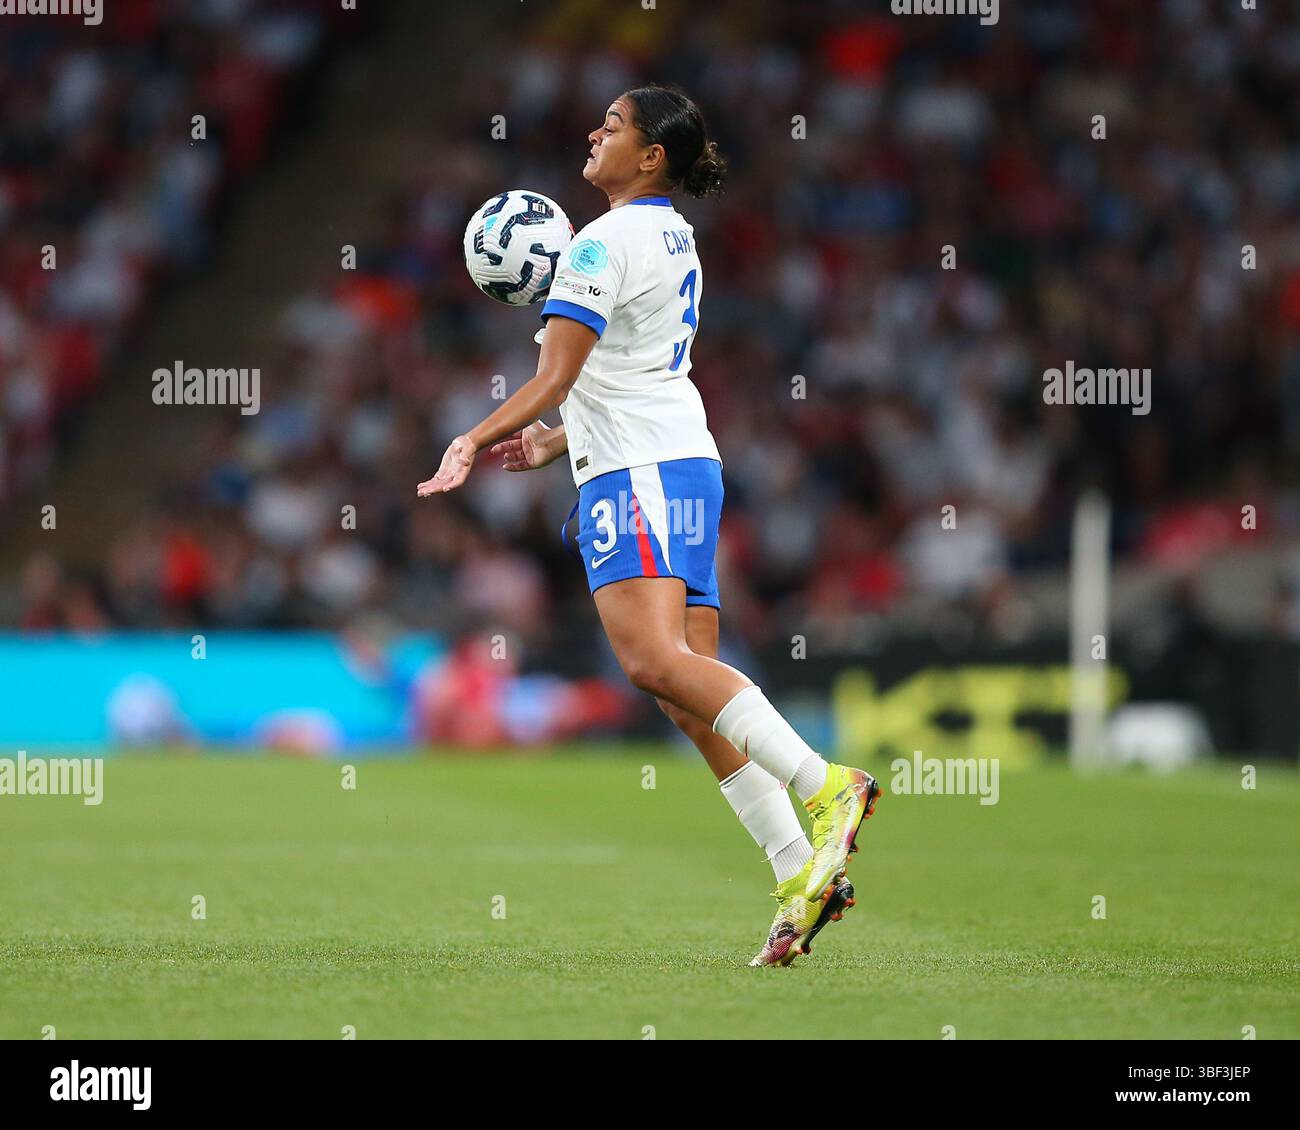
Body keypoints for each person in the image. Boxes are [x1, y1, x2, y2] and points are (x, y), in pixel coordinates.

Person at [417, 84, 879, 966]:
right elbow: (626, 365)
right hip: (679, 460)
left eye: (615, 125)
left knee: (648, 661)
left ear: (652, 154)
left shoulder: (598, 241)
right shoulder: (670, 231)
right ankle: (799, 876)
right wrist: (557, 443)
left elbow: (557, 375)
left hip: (637, 475)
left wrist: (474, 438)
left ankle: (828, 786)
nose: (595, 131)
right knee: (687, 686)